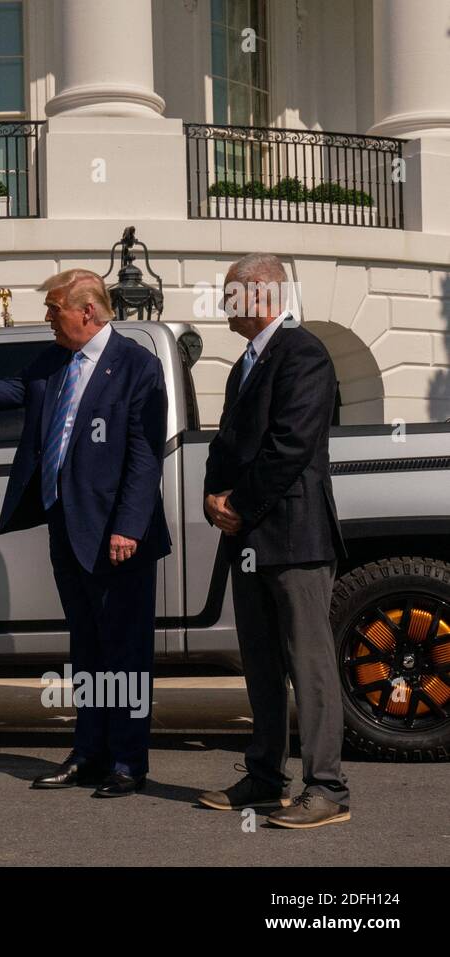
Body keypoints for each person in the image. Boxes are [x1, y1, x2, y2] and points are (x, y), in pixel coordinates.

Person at [0, 269, 170, 796]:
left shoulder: (137, 365)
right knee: (86, 648)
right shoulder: (53, 362)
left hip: (118, 535)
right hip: (66, 527)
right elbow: (12, 391)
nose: (47, 318)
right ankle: (89, 753)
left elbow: (144, 453)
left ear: (86, 311)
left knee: (125, 652)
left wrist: (129, 527)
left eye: (53, 308)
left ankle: (129, 763)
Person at [198, 253, 350, 828]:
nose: (221, 305)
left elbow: (290, 447)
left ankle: (327, 788)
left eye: (229, 293)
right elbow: (226, 444)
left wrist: (237, 504)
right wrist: (214, 497)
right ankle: (265, 778)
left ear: (259, 294)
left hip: (296, 538)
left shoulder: (304, 353)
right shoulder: (245, 363)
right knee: (261, 663)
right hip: (251, 537)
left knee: (308, 664)